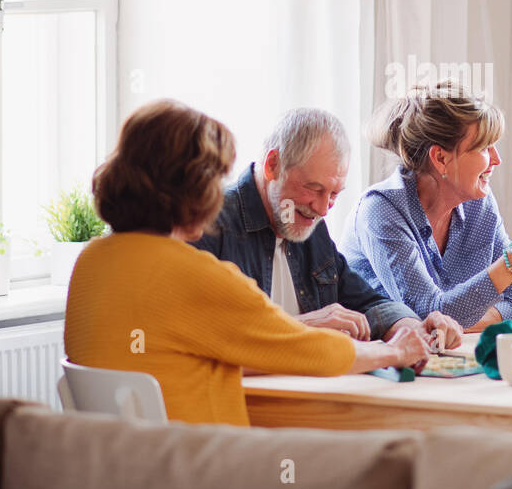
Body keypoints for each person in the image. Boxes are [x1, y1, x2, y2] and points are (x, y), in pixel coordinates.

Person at [64, 100, 430, 426]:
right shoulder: (197, 275)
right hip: (207, 470)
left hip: (118, 473)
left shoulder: (90, 262)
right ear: (196, 191)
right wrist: (395, 351)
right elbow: (313, 350)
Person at [192, 108, 463, 348]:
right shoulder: (208, 223)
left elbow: (366, 301)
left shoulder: (309, 226)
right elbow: (200, 334)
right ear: (273, 165)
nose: (322, 209)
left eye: (334, 194)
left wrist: (412, 327)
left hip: (313, 391)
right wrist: (301, 326)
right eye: (314, 189)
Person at [341, 82, 512, 331]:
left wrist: (457, 323)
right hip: (375, 362)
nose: (497, 159)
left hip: (446, 358)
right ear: (440, 158)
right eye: (484, 147)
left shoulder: (480, 205)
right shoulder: (381, 211)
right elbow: (428, 314)